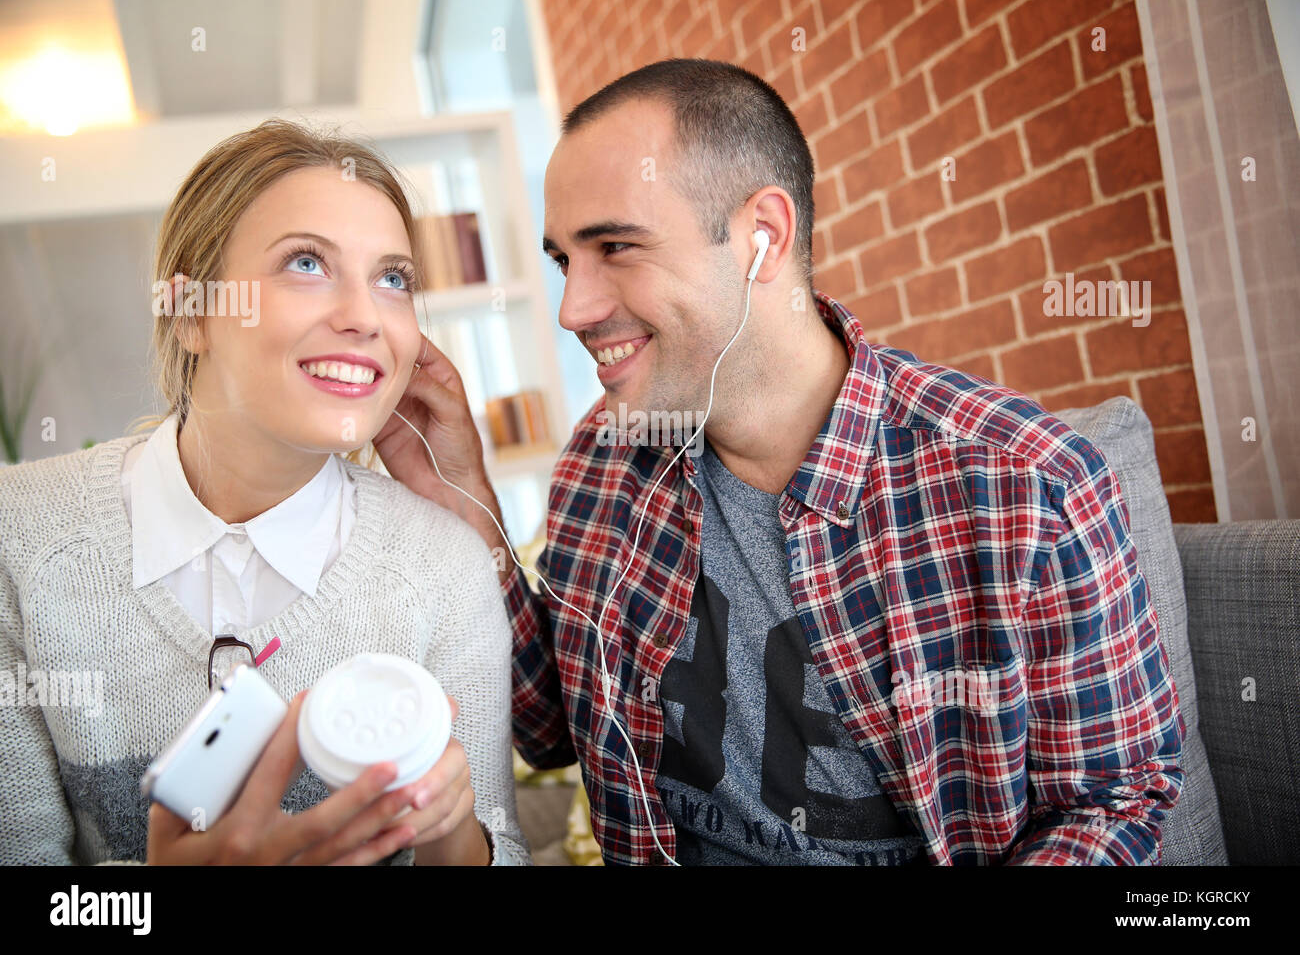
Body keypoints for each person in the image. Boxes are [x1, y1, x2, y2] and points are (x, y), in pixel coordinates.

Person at [377, 58, 1185, 865]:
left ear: (762, 235)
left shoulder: (1025, 485)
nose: (573, 309)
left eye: (616, 246)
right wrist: (455, 488)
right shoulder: (602, 459)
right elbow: (552, 731)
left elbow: (1115, 800)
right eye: (562, 260)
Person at [0, 119, 528, 865]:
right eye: (307, 262)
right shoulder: (18, 535)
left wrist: (448, 834)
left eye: (393, 279)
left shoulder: (445, 564)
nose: (363, 316)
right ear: (191, 313)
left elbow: (500, 853)